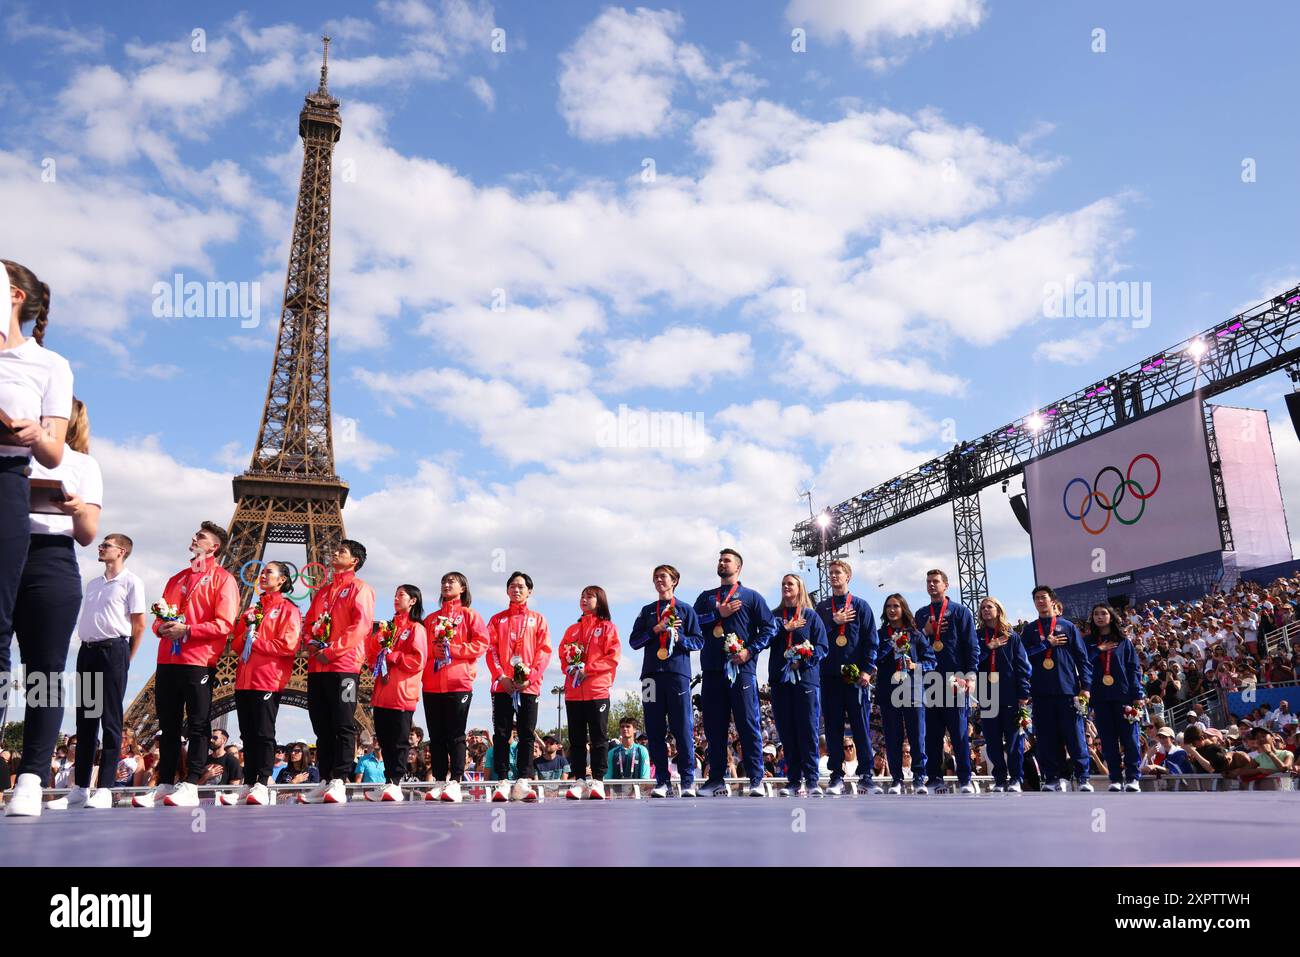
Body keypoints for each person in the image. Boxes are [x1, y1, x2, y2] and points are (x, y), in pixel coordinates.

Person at [3, 397, 97, 818]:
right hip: (6, 549)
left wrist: (75, 509)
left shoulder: (81, 465)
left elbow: (87, 534)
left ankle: (32, 777)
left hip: (51, 560)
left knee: (44, 672)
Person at [0, 260, 72, 740]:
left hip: (9, 474)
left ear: (15, 297)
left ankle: (30, 770)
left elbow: (54, 452)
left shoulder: (49, 365)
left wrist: (33, 432)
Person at [133, 522, 240, 808]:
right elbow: (158, 617)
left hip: (198, 660)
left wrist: (188, 631)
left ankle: (191, 783)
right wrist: (161, 629)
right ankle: (165, 781)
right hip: (168, 659)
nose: (194, 538)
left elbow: (225, 624)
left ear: (213, 547)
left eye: (201, 536)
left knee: (197, 724)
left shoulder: (224, 580)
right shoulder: (176, 578)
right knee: (167, 726)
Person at [48, 532, 144, 810]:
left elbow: (138, 624)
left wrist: (126, 658)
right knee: (86, 720)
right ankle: (80, 787)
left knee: (111, 720)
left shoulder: (131, 582)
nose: (100, 548)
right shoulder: (93, 584)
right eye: (101, 544)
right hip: (88, 651)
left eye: (106, 545)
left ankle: (105, 787)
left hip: (114, 650)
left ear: (122, 551)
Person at [693, 548, 776, 797]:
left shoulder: (751, 597)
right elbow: (692, 624)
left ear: (738, 567)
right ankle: (716, 779)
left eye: (726, 560)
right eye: (719, 559)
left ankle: (756, 779)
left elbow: (769, 629)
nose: (721, 562)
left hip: (742, 670)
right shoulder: (706, 598)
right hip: (712, 671)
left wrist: (749, 652)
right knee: (714, 727)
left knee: (748, 725)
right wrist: (718, 614)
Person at [300, 539, 376, 805]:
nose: (335, 552)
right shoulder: (323, 592)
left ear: (354, 560)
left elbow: (361, 626)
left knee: (343, 723)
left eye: (342, 551)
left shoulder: (360, 588)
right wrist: (311, 644)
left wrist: (331, 651)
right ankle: (325, 778)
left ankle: (340, 779)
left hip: (344, 667)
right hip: (318, 666)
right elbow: (309, 622)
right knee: (321, 724)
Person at [228, 561, 302, 806]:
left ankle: (263, 781)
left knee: (263, 732)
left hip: (267, 678)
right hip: (245, 679)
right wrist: (247, 633)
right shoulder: (253, 609)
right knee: (247, 733)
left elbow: (289, 645)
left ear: (282, 579)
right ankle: (249, 782)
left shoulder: (288, 609)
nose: (263, 576)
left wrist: (257, 641)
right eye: (262, 572)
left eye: (269, 572)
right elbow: (237, 645)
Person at [629, 564, 703, 798]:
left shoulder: (686, 610)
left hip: (677, 675)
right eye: (656, 577)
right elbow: (634, 641)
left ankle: (688, 781)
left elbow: (698, 642)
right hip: (650, 676)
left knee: (682, 727)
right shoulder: (647, 611)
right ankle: (663, 781)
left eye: (663, 577)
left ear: (675, 581)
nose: (659, 580)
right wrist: (655, 630)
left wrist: (677, 637)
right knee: (654, 728)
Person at [421, 571, 488, 803]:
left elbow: (481, 643)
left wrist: (454, 650)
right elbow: (420, 649)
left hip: (459, 683)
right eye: (443, 581)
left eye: (452, 581)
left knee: (456, 735)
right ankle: (440, 780)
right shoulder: (430, 620)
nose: (446, 584)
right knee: (436, 735)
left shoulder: (470, 616)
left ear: (462, 588)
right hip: (431, 683)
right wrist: (433, 652)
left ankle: (456, 781)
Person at [485, 572, 552, 802]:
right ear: (507, 591)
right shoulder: (496, 620)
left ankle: (524, 779)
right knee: (501, 734)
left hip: (528, 687)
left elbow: (544, 652)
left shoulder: (538, 619)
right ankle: (502, 780)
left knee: (526, 734)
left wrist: (530, 677)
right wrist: (500, 676)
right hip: (502, 686)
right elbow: (490, 649)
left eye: (521, 586)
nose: (516, 589)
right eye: (512, 586)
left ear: (529, 592)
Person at [814, 559, 879, 795]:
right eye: (830, 573)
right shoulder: (822, 609)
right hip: (830, 677)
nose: (833, 576)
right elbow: (816, 639)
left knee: (861, 727)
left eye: (838, 573)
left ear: (847, 576)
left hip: (856, 678)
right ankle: (836, 776)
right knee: (832, 728)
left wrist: (867, 669)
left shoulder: (861, 606)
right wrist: (834, 622)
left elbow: (871, 641)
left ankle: (866, 776)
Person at [1020, 585, 1092, 792]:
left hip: (1068, 690)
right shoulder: (1030, 629)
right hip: (1041, 692)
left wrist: (1085, 686)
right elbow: (1023, 658)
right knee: (1046, 738)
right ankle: (1053, 778)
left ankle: (1083, 777)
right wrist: (1045, 645)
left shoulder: (1067, 626)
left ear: (1052, 600)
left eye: (1044, 597)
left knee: (1075, 736)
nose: (1041, 601)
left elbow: (1082, 658)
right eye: (1037, 598)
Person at [913, 569, 979, 794]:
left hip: (955, 680)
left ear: (946, 585)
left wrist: (971, 675)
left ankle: (965, 779)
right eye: (928, 582)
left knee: (959, 733)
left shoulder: (960, 612)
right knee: (931, 734)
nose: (932, 585)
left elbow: (971, 645)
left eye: (936, 581)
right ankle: (934, 779)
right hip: (929, 681)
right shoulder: (921, 614)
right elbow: (913, 646)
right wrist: (925, 631)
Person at [364, 584, 428, 802]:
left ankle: (396, 782)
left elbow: (418, 660)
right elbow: (371, 655)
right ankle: (389, 782)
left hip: (402, 692)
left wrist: (394, 657)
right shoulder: (387, 628)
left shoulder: (417, 628)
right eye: (394, 594)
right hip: (382, 692)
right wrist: (378, 653)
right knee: (384, 739)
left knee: (399, 741)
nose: (395, 598)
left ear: (413, 601)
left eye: (401, 595)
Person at [769, 574, 829, 796]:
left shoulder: (811, 616)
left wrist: (804, 660)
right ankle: (793, 780)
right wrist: (786, 628)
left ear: (799, 588)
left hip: (806, 681)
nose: (785, 587)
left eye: (790, 584)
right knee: (787, 731)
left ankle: (812, 781)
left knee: (807, 730)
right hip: (780, 681)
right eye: (783, 584)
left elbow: (822, 647)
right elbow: (764, 640)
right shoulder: (774, 616)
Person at [560, 585, 620, 800]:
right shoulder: (572, 630)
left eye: (590, 596)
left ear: (600, 600)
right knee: (575, 738)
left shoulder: (608, 628)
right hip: (574, 692)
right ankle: (579, 780)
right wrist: (571, 668)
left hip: (597, 690)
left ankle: (598, 781)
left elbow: (612, 657)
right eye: (582, 596)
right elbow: (563, 656)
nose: (584, 599)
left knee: (599, 737)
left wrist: (588, 669)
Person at [877, 594, 936, 793]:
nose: (892, 610)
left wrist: (915, 665)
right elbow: (873, 658)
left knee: (917, 736)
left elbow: (931, 662)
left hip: (913, 690)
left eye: (896, 606)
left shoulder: (916, 635)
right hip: (889, 690)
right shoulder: (880, 635)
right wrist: (890, 645)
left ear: (903, 609)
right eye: (888, 606)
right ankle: (896, 779)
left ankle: (919, 777)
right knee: (893, 737)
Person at [975, 597, 1031, 793]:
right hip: (987, 694)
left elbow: (1022, 666)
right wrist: (988, 647)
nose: (985, 610)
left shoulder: (1011, 636)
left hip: (1009, 693)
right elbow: (972, 662)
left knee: (1014, 740)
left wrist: (1023, 693)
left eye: (989, 607)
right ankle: (999, 779)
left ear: (998, 610)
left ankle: (1016, 778)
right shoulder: (977, 635)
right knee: (992, 740)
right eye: (982, 608)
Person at [1085, 603, 1143, 792]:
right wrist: (1098, 650)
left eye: (1103, 613)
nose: (1099, 617)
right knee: (1108, 740)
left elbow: (1133, 668)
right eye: (1096, 614)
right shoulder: (1088, 642)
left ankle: (1133, 777)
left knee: (1130, 738)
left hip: (1123, 695)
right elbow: (1082, 664)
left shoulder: (1123, 641)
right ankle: (1115, 778)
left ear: (1111, 616)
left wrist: (1137, 694)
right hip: (1100, 697)